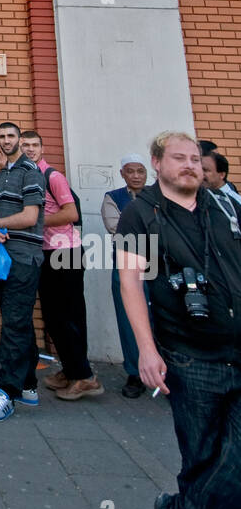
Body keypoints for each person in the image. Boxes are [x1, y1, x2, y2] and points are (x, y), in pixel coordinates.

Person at [117, 131, 241, 509]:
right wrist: (146, 350)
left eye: (196, 159)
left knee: (231, 467)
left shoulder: (223, 206)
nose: (191, 165)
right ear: (157, 163)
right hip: (190, 358)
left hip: (239, 349)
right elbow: (130, 280)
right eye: (180, 158)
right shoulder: (140, 213)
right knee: (204, 460)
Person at [20, 131, 100, 401]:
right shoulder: (27, 177)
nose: (29, 149)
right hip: (46, 252)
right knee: (55, 317)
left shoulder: (52, 176)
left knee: (68, 317)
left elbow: (71, 213)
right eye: (25, 146)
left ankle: (85, 376)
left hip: (65, 253)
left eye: (34, 145)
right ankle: (71, 369)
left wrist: (35, 220)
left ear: (42, 148)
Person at [0, 121, 46, 422]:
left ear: (20, 139)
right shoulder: (4, 172)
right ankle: (28, 385)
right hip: (4, 257)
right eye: (2, 137)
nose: (6, 140)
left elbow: (31, 216)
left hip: (24, 257)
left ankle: (5, 391)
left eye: (11, 136)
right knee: (18, 321)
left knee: (14, 323)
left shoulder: (30, 171)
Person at [101, 154, 150, 398]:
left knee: (164, 319)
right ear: (122, 173)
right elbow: (117, 228)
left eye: (140, 171)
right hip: (127, 266)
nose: (136, 176)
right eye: (131, 171)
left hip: (157, 267)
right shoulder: (114, 198)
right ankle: (135, 373)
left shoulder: (159, 196)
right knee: (129, 321)